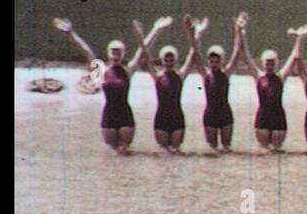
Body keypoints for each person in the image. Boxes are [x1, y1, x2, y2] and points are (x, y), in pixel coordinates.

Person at [52, 16, 171, 153]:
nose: (115, 53)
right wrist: (70, 33)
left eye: (118, 51)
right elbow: (86, 51)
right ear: (108, 53)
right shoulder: (101, 71)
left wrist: (156, 29)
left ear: (123, 53)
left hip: (125, 116)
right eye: (113, 50)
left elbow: (142, 51)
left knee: (125, 151)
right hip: (108, 116)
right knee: (113, 153)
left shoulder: (128, 70)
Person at [234, 12, 305, 152]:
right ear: (262, 63)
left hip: (279, 118)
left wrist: (299, 39)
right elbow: (244, 54)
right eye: (267, 62)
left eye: (272, 62)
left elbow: (294, 56)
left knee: (277, 152)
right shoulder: (258, 75)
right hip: (263, 118)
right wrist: (240, 31)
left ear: (277, 63)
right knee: (263, 152)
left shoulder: (281, 76)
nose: (269, 64)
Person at [131, 18, 198, 153]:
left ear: (176, 59)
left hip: (177, 119)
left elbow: (193, 52)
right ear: (162, 60)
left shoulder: (180, 75)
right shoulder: (157, 76)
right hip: (161, 119)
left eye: (171, 58)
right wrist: (148, 32)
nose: (169, 61)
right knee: (163, 153)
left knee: (176, 152)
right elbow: (144, 51)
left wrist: (192, 32)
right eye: (166, 58)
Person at [185, 15, 240, 152]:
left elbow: (237, 51)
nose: (214, 64)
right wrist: (193, 33)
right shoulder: (205, 75)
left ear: (222, 61)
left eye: (217, 61)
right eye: (211, 61)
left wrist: (238, 30)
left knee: (227, 149)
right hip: (210, 115)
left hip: (226, 115)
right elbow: (195, 54)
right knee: (212, 150)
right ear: (208, 61)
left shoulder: (226, 73)